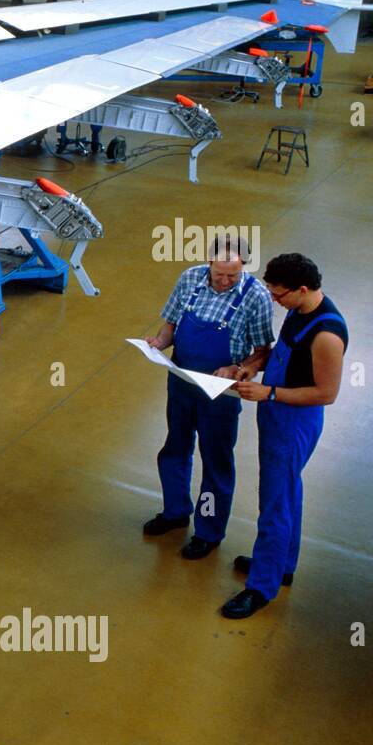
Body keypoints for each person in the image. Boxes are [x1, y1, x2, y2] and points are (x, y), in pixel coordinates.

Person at [223, 254, 347, 619]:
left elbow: (327, 393)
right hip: (277, 412)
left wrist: (270, 393)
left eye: (279, 296)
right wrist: (250, 366)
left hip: (294, 421)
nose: (274, 301)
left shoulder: (327, 334)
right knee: (288, 490)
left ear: (302, 289)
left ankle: (261, 587)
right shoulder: (300, 310)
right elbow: (282, 353)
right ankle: (281, 564)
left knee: (274, 502)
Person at [142, 238, 274, 559]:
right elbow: (171, 324)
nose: (226, 281)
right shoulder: (190, 278)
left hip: (220, 394)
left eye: (233, 275)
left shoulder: (256, 297)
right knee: (175, 447)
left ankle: (208, 531)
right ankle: (175, 511)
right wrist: (159, 341)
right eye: (219, 275)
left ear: (243, 266)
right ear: (209, 263)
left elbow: (262, 353)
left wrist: (239, 368)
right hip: (182, 382)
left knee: (215, 462)